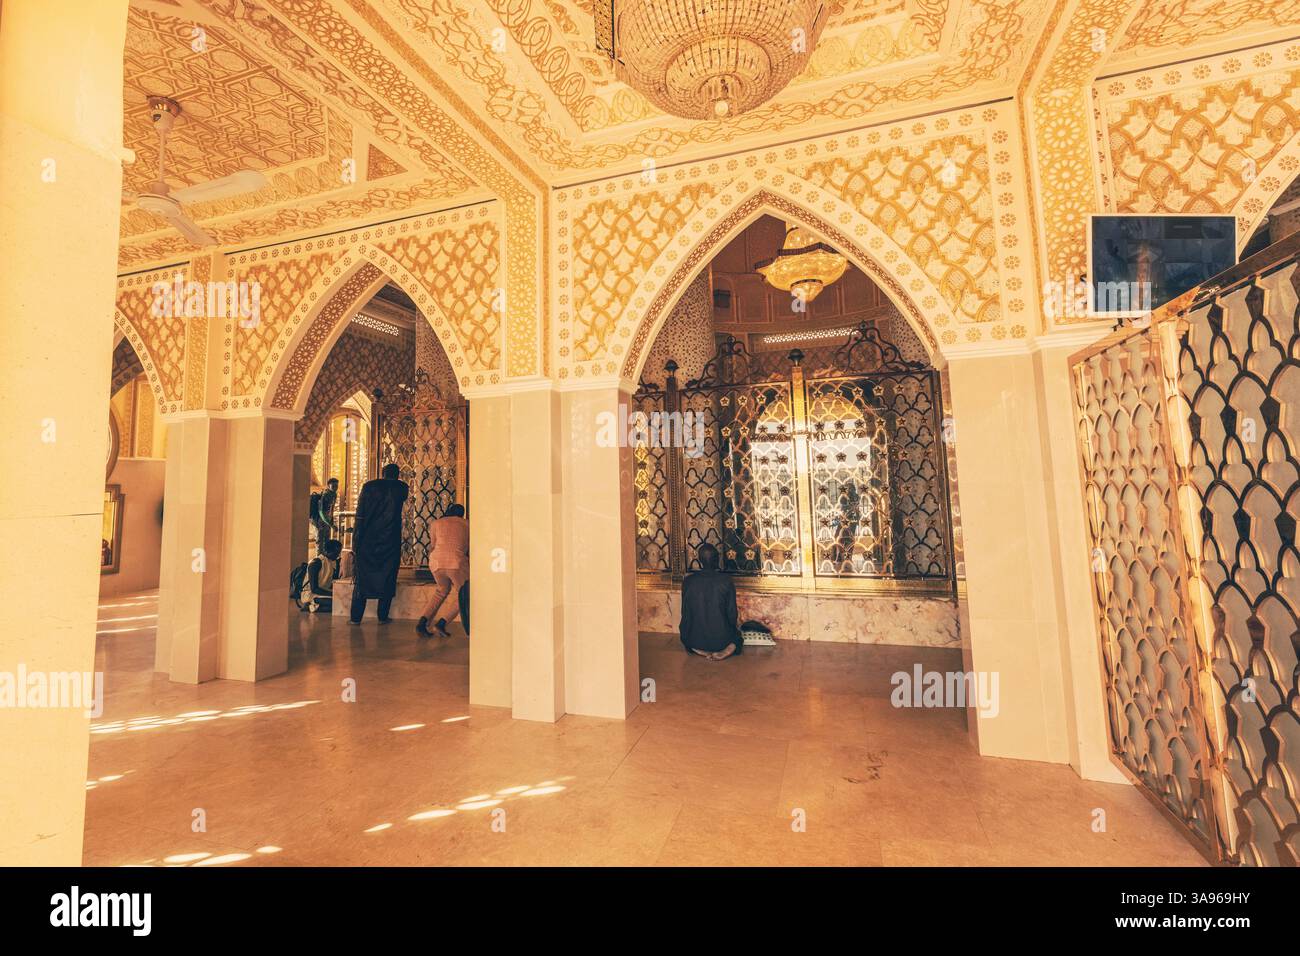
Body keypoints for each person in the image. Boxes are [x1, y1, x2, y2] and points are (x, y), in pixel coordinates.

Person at [349, 463, 408, 624]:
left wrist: (355, 542)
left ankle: (355, 618)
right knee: (388, 578)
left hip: (368, 541)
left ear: (382, 473)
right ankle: (382, 616)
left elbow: (360, 515)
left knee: (362, 579)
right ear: (397, 475)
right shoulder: (402, 488)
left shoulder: (369, 487)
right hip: (390, 540)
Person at [679, 542, 743, 660]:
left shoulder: (688, 581)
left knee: (686, 636)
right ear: (716, 560)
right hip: (721, 641)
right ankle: (726, 650)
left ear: (699, 560)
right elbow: (732, 615)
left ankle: (698, 650)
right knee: (738, 637)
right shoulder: (726, 581)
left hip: (694, 639)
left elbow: (685, 613)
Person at [417, 503, 469, 638]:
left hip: (436, 562)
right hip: (456, 562)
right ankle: (442, 622)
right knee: (464, 594)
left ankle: (422, 622)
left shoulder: (436, 523)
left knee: (441, 591)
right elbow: (469, 546)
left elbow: (433, 545)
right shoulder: (467, 524)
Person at [301, 539, 343, 612]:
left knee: (342, 602)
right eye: (336, 553)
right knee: (338, 603)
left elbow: (329, 582)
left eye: (338, 553)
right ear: (327, 551)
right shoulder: (316, 563)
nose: (337, 555)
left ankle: (314, 606)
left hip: (322, 593)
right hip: (311, 594)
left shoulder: (331, 562)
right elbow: (314, 588)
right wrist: (333, 594)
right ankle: (310, 605)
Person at [311, 477, 339, 544]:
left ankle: (325, 554)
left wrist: (331, 521)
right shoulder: (325, 495)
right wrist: (331, 524)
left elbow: (332, 508)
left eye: (336, 486)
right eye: (333, 486)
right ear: (328, 485)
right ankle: (319, 554)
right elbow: (321, 511)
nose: (335, 487)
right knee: (320, 540)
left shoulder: (334, 494)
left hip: (327, 519)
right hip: (320, 519)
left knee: (326, 540)